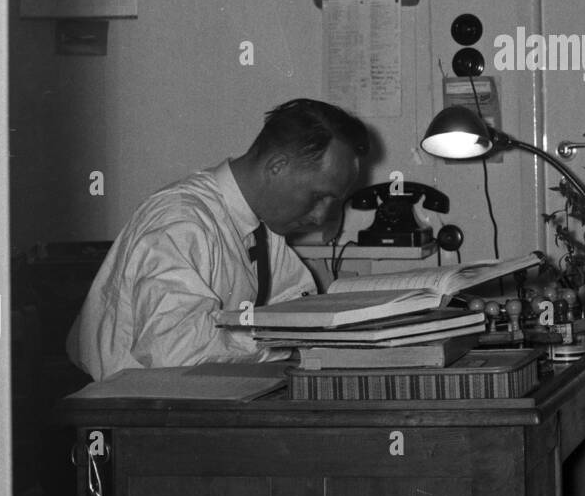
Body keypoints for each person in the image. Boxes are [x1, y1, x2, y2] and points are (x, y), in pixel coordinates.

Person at [67, 98, 370, 381]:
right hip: (128, 413)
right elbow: (174, 349)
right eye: (318, 196)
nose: (320, 217)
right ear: (277, 166)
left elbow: (291, 306)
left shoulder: (261, 225)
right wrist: (286, 345)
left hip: (188, 398)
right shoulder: (181, 221)